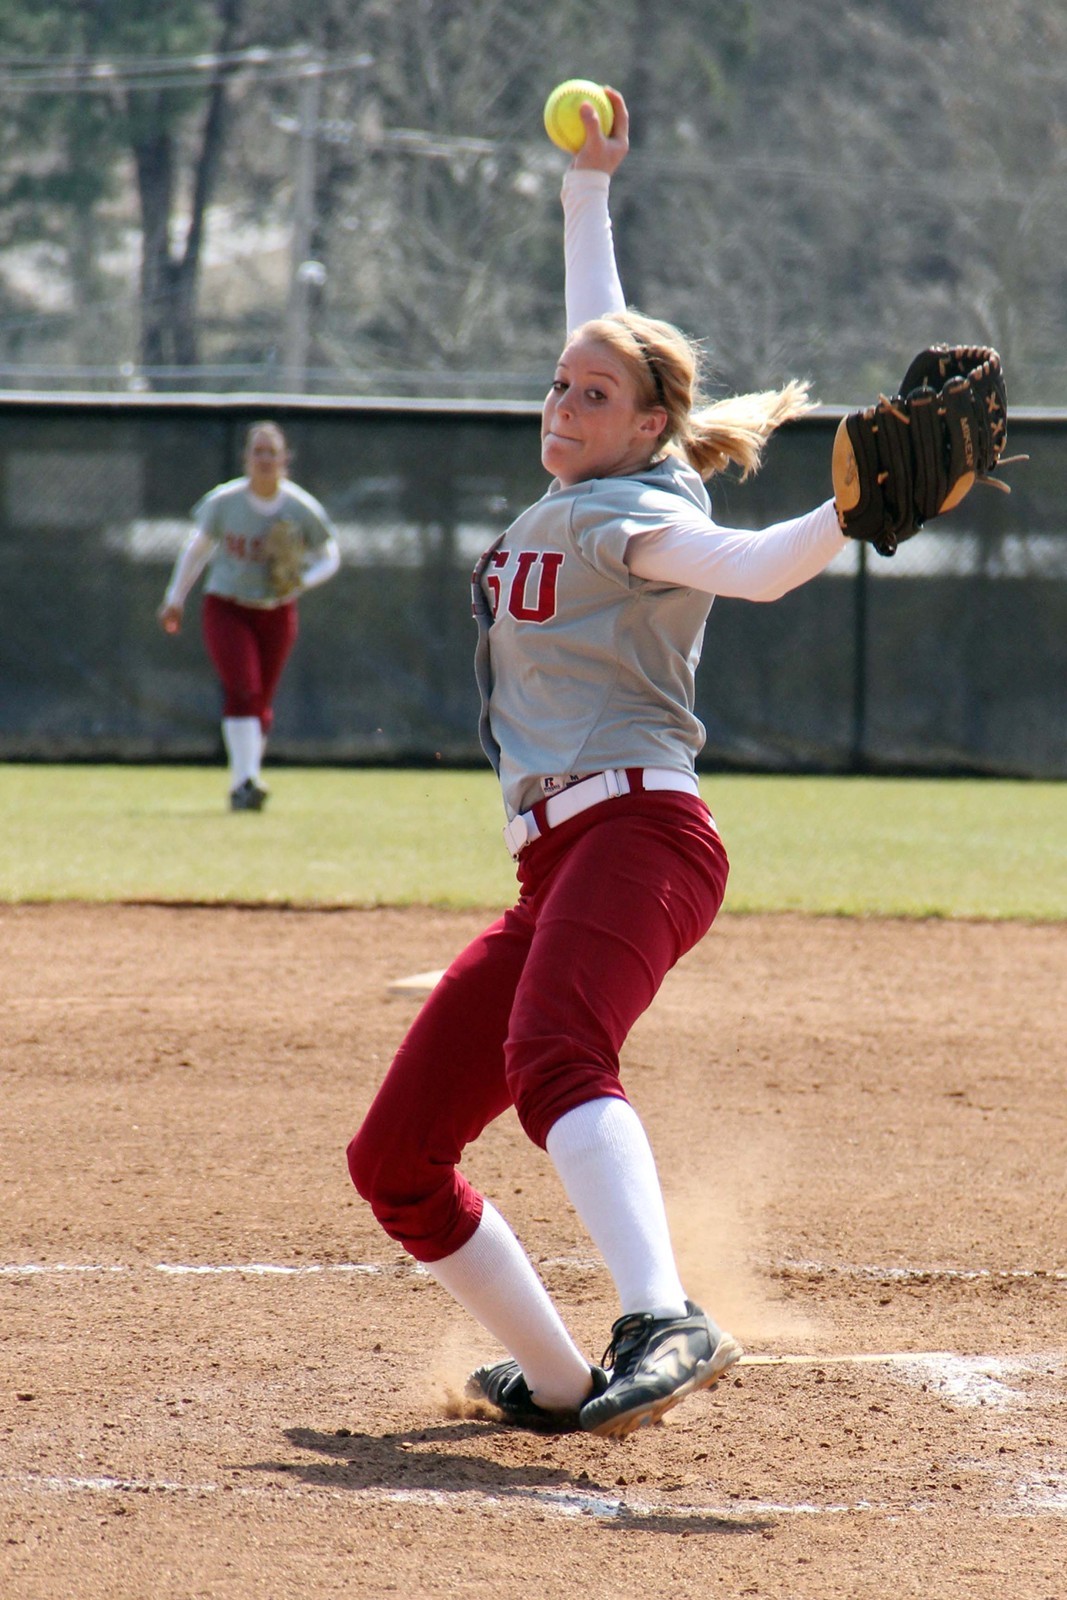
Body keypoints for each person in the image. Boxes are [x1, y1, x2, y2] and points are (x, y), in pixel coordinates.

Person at [347, 89, 848, 1440]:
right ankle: (563, 1385)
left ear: (644, 430)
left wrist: (845, 506)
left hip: (639, 838)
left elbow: (752, 573)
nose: (563, 400)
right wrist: (585, 192)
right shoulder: (596, 484)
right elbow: (609, 332)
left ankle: (662, 1311)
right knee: (395, 1160)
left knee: (558, 1053)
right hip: (554, 862)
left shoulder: (634, 516)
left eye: (594, 394)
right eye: (556, 384)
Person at [158, 421, 340, 811]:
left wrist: (301, 581)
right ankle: (246, 781)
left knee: (261, 699)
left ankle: (246, 783)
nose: (264, 459)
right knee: (243, 687)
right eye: (257, 451)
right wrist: (175, 598)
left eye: (271, 452)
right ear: (246, 458)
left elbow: (330, 556)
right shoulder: (225, 502)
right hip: (227, 606)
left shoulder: (298, 506)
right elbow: (197, 549)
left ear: (284, 460)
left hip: (275, 610)